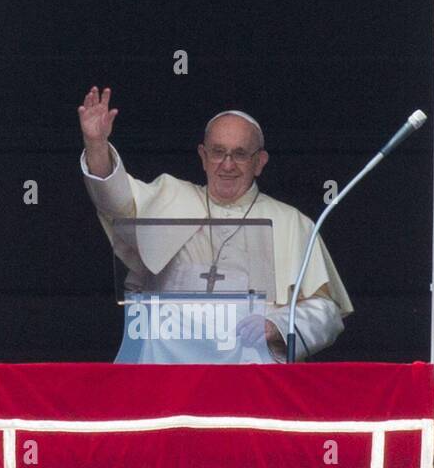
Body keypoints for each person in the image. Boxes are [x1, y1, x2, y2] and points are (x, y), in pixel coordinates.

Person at [78, 86, 352, 362]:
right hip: (171, 372)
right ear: (203, 156)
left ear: (260, 162)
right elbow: (115, 202)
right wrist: (96, 144)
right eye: (218, 152)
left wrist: (278, 326)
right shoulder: (169, 195)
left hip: (251, 374)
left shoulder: (292, 222)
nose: (227, 164)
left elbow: (326, 311)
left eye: (240, 154)